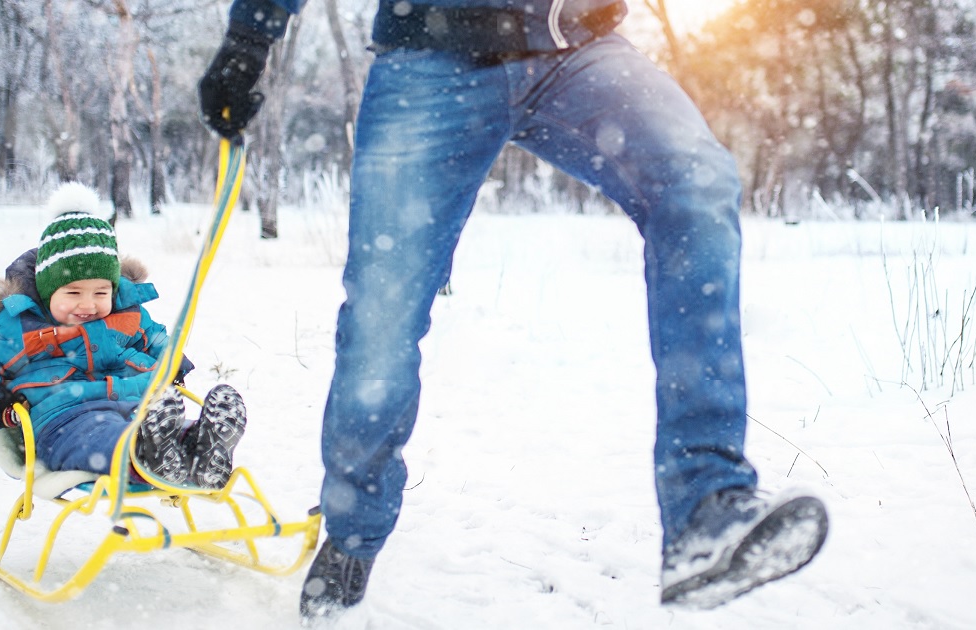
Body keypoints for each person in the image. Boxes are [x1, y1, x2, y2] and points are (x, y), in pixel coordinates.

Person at [197, 0, 828, 619]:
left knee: (696, 182)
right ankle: (353, 533)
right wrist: (250, 38)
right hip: (428, 58)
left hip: (576, 47)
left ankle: (706, 508)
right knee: (380, 317)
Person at [0, 182, 246, 490]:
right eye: (74, 292)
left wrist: (173, 366)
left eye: (100, 292)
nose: (88, 304)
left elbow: (158, 339)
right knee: (103, 437)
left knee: (160, 427)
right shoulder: (24, 327)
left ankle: (202, 446)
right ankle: (144, 453)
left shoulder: (127, 316)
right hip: (64, 420)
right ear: (46, 290)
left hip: (137, 406)